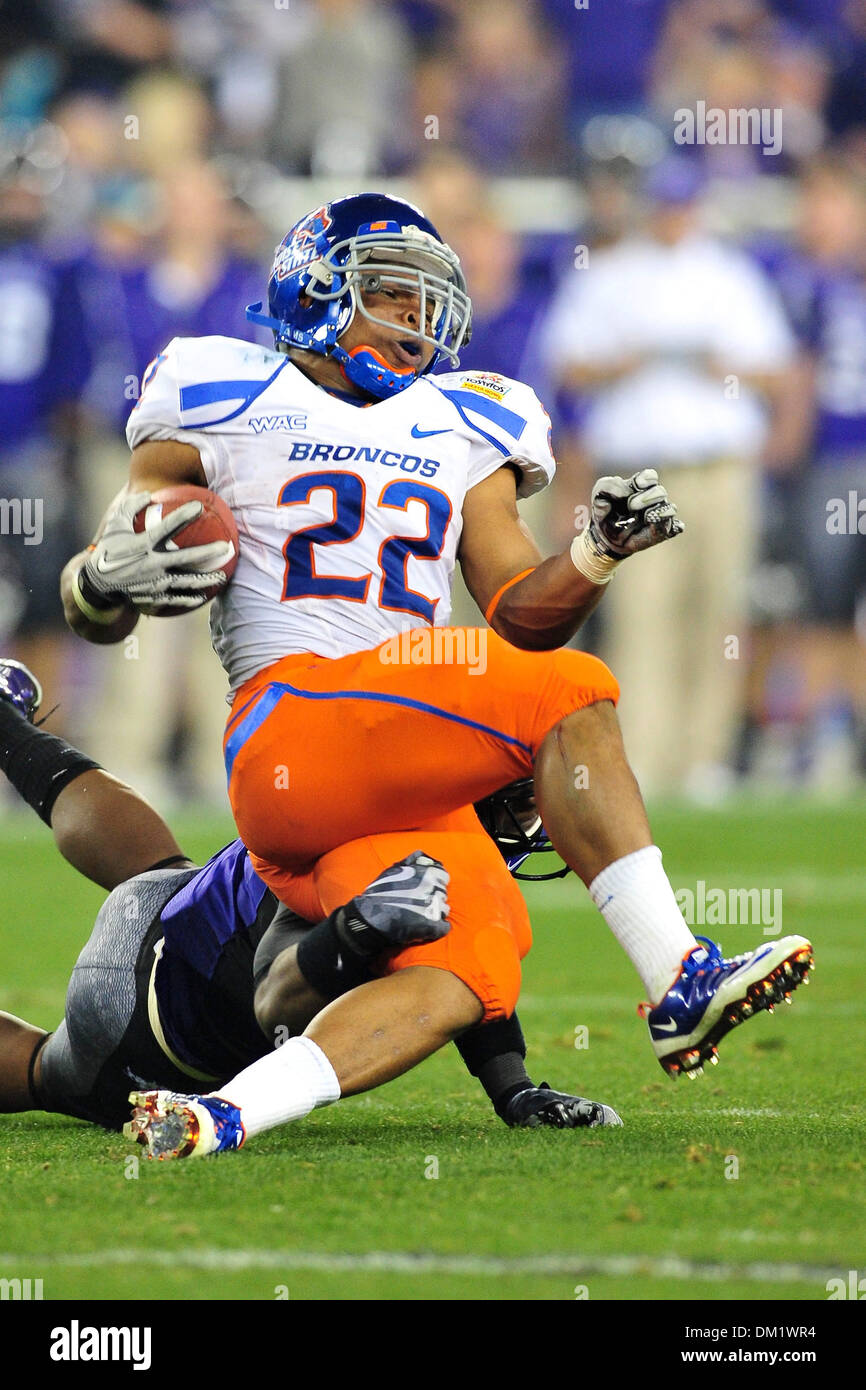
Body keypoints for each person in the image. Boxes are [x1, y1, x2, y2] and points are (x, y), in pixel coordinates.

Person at [60, 192, 812, 1158]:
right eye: (392, 298)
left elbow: (516, 613)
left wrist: (593, 555)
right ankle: (680, 979)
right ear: (317, 291)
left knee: (473, 964)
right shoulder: (221, 389)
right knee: (572, 689)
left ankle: (223, 1116)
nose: (418, 324)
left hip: (389, 773)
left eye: (428, 305)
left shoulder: (467, 417)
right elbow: (106, 594)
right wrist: (94, 578)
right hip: (292, 720)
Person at [0, 657, 622, 1137]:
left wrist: (513, 1089)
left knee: (159, 871)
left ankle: (5, 723)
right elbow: (276, 998)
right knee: (49, 1073)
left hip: (179, 911)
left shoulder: (394, 792)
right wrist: (356, 932)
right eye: (517, 803)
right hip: (147, 1013)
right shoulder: (367, 846)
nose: (532, 823)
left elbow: (463, 958)